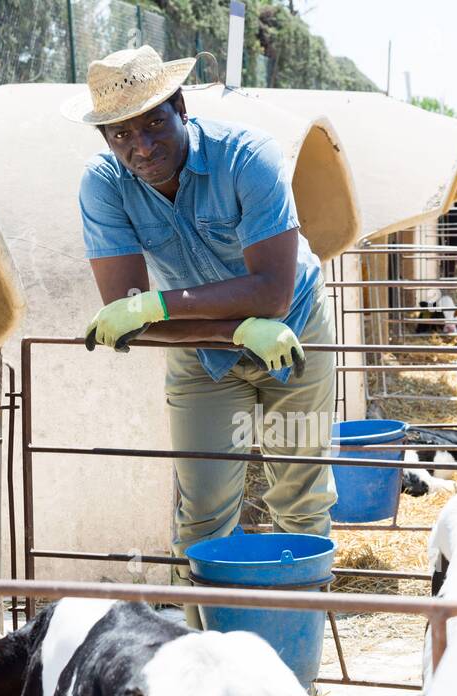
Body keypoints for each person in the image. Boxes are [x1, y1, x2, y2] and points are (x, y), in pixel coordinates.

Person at [76, 45, 337, 621]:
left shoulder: (249, 157)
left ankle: (296, 641)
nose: (141, 146)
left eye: (152, 123)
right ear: (105, 140)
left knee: (299, 492)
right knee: (201, 510)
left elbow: (270, 290)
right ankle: (200, 652)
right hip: (201, 349)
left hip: (291, 331)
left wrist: (155, 307)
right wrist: (229, 327)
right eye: (121, 134)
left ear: (180, 107)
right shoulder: (103, 187)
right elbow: (124, 321)